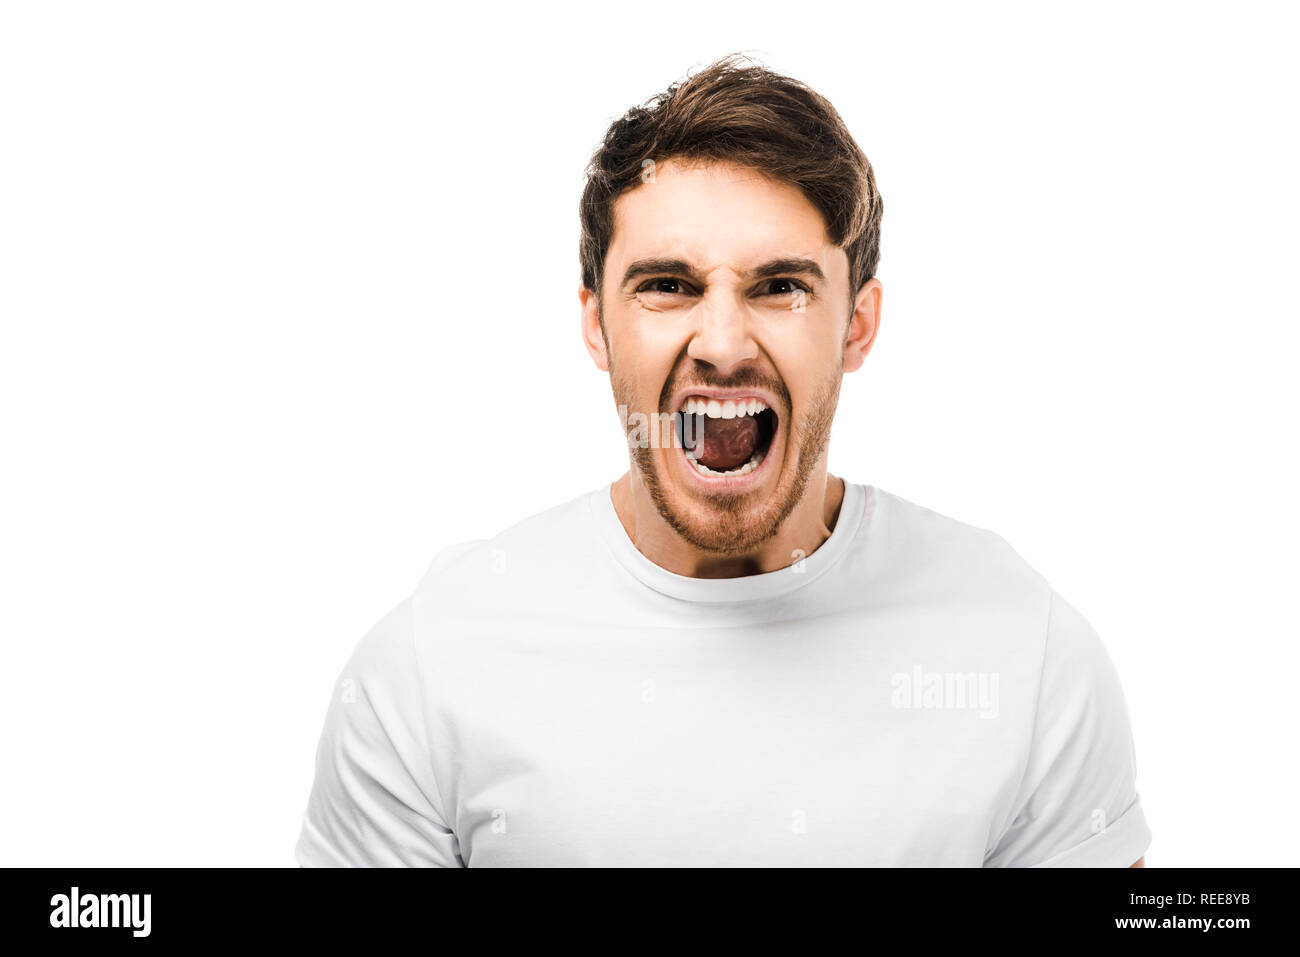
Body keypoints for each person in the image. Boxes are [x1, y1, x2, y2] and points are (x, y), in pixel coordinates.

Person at [294, 53, 1151, 867]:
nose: (723, 342)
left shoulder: (1022, 650)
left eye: (780, 286)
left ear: (857, 324)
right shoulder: (430, 661)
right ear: (596, 324)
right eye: (667, 284)